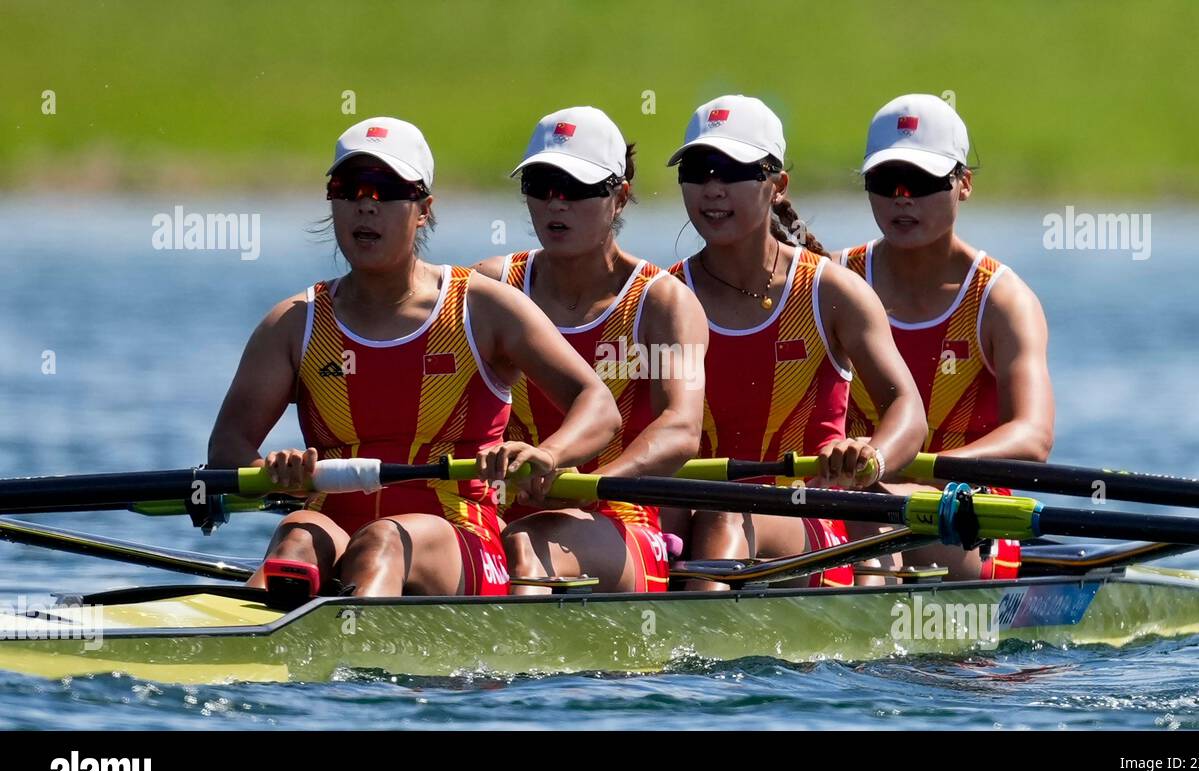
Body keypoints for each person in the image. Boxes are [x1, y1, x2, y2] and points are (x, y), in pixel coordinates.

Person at [207, 116, 620, 597]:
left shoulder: (483, 308)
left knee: (383, 541)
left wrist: (547, 453)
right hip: (332, 525)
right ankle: (247, 643)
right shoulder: (293, 323)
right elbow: (226, 449)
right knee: (296, 535)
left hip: (462, 537)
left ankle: (341, 648)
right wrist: (273, 475)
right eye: (349, 188)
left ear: (423, 209)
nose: (365, 206)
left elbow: (599, 405)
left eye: (385, 189)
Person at [664, 95, 927, 591]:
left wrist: (871, 454)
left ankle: (693, 662)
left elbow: (907, 411)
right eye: (698, 170)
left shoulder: (832, 293)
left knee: (723, 516)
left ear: (776, 184)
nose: (713, 189)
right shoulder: (664, 297)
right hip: (692, 515)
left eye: (734, 170)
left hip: (812, 517)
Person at [475, 106, 708, 594]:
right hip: (492, 518)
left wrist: (587, 477)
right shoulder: (492, 285)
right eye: (540, 186)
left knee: (523, 544)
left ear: (619, 197)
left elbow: (681, 429)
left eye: (577, 189)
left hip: (616, 517)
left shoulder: (661, 302)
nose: (556, 204)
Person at [828, 94, 1054, 580]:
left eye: (924, 182)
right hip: (851, 498)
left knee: (870, 504)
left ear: (964, 184)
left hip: (969, 510)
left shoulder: (1003, 301)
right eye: (885, 182)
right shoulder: (835, 281)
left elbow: (1034, 436)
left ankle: (858, 636)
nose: (902, 197)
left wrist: (920, 464)